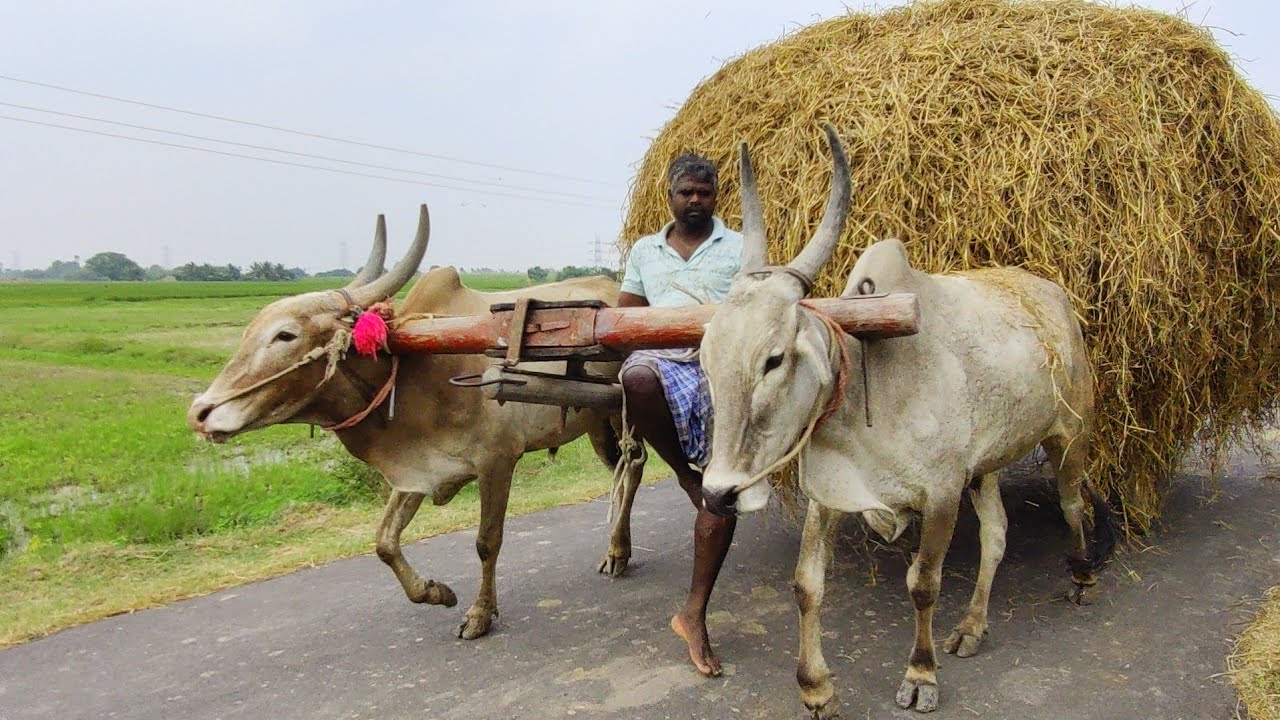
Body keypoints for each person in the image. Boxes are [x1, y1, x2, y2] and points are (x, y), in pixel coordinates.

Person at [617, 152, 743, 677]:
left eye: (703, 193)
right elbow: (624, 314)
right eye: (685, 193)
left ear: (716, 197)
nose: (694, 201)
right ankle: (685, 477)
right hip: (659, 356)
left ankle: (693, 614)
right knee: (636, 377)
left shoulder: (738, 246)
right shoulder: (645, 251)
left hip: (722, 360)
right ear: (669, 197)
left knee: (725, 490)